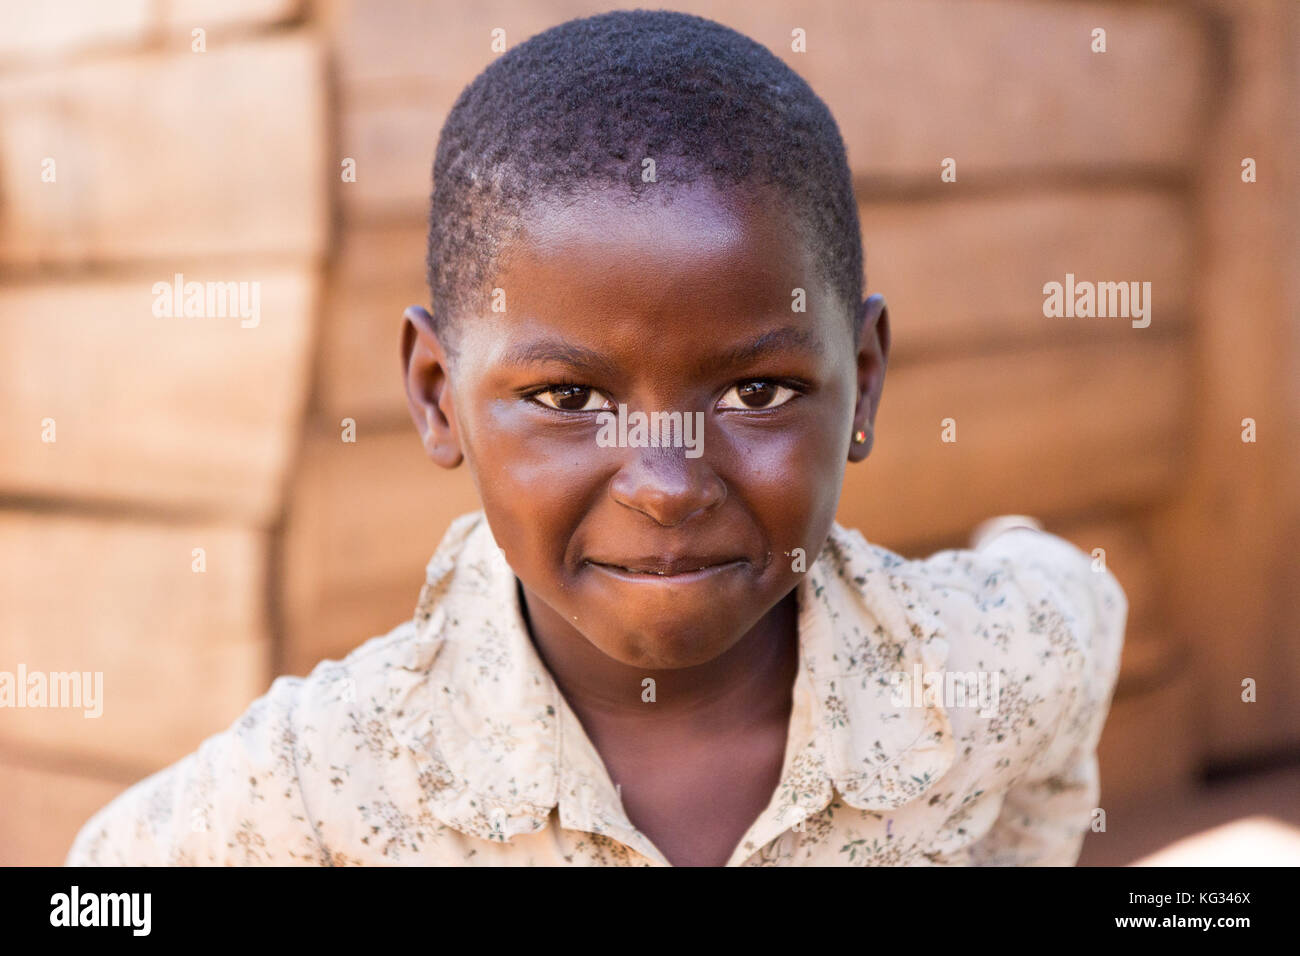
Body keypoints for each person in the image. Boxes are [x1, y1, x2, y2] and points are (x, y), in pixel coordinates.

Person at [66, 9, 1126, 867]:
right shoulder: (325, 775)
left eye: (756, 387)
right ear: (439, 396)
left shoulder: (990, 660)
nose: (666, 483)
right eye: (571, 399)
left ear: (865, 380)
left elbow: (1076, 611)